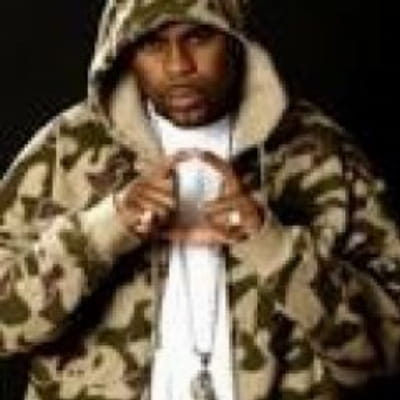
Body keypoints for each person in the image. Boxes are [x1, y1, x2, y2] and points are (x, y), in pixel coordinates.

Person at [1, 0, 400, 399]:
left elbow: (387, 348)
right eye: (152, 44)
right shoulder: (66, 150)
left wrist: (273, 246)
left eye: (199, 37)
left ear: (235, 41)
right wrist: (103, 231)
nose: (178, 66)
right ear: (123, 53)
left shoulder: (318, 150)